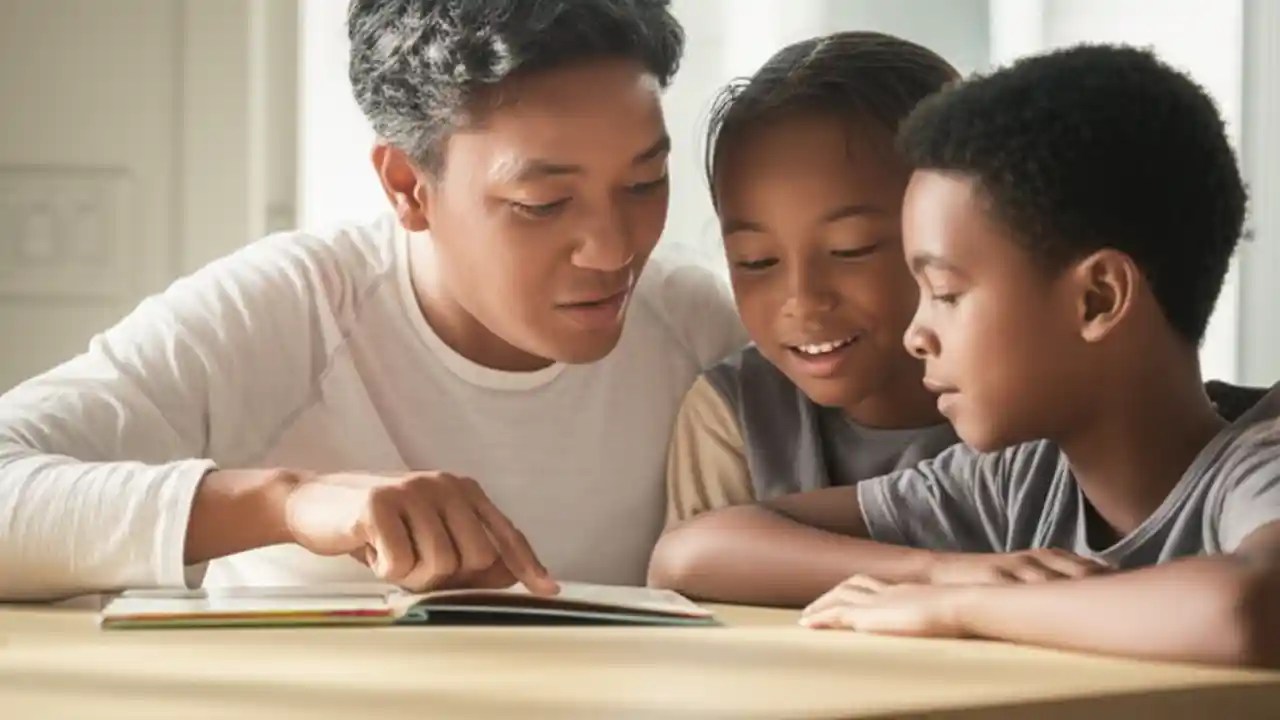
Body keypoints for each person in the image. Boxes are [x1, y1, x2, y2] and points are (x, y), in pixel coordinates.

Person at [0, 0, 744, 601]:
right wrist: (287, 505)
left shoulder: (695, 326)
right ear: (406, 186)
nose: (614, 250)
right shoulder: (288, 312)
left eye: (645, 183)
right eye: (543, 203)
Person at [651, 45, 1280, 667]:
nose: (916, 333)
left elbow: (1243, 612)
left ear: (1096, 299)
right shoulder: (1014, 482)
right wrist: (934, 571)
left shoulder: (1258, 464)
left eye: (946, 293)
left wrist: (957, 607)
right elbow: (690, 552)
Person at [656, 33, 961, 598]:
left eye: (851, 249)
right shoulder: (734, 414)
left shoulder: (1031, 404)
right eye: (757, 261)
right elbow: (696, 584)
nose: (803, 299)